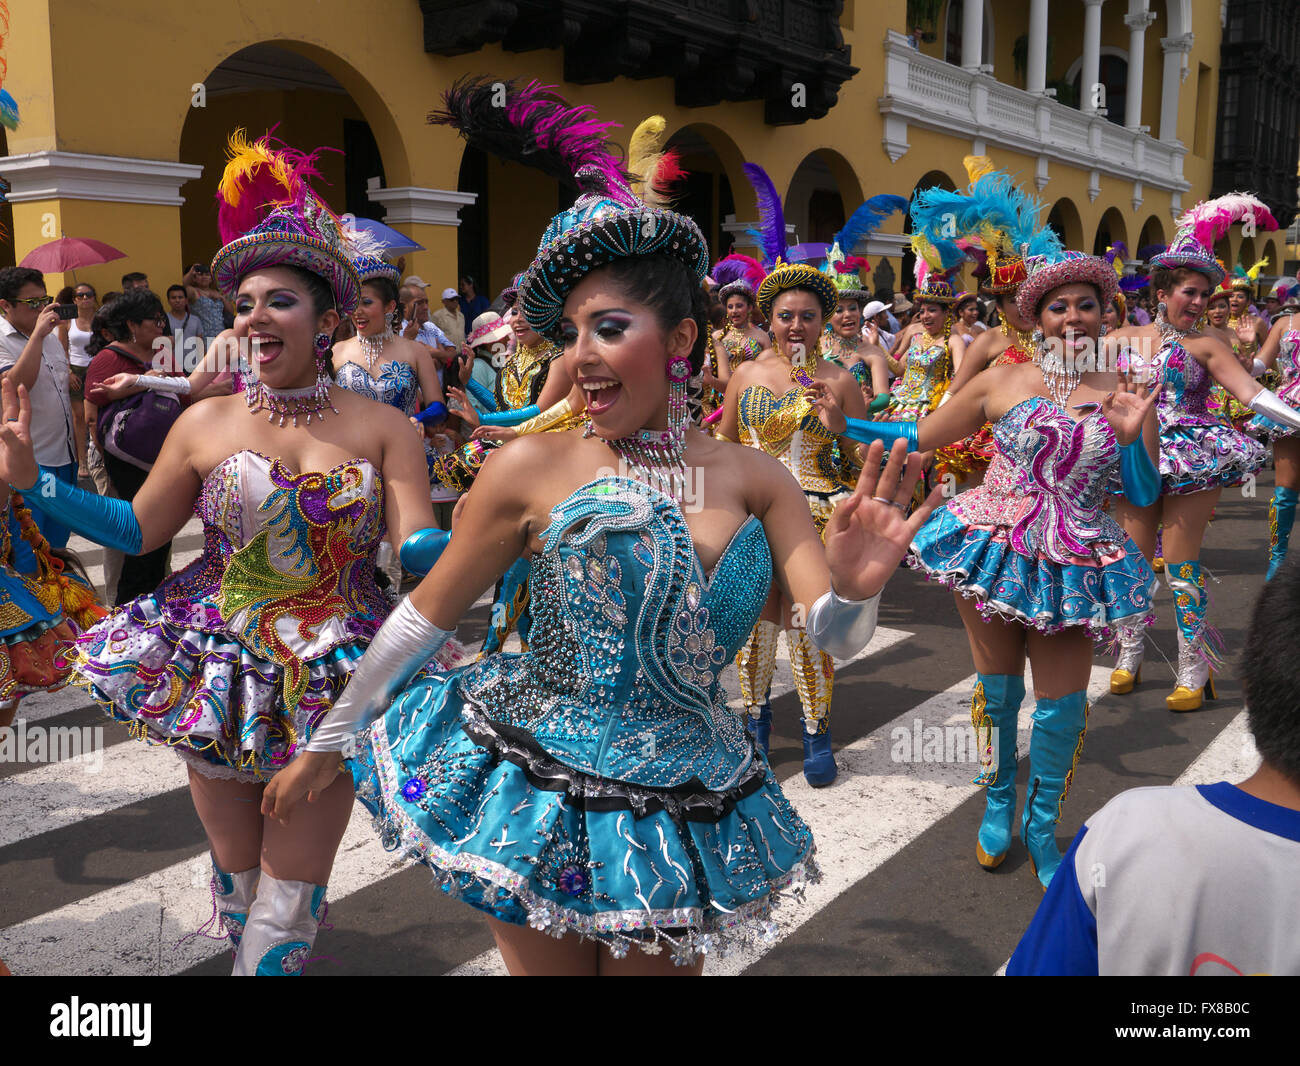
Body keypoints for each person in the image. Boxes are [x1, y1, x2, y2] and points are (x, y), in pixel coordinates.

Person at [261, 78, 931, 974]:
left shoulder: (756, 479)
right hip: (537, 778)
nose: (579, 358)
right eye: (572, 332)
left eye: (608, 328)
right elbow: (424, 616)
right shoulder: (532, 467)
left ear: (682, 343)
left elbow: (833, 634)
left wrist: (857, 587)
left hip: (684, 796)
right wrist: (327, 743)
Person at [0, 131, 465, 977]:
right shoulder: (204, 422)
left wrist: (484, 530)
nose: (252, 318)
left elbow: (417, 549)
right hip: (213, 666)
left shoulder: (383, 427)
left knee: (286, 907)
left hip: (333, 675)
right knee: (243, 887)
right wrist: (36, 484)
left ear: (326, 322)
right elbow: (136, 532)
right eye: (243, 303)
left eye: (277, 302)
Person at [816, 247, 1163, 890]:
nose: (1074, 317)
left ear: (1104, 312)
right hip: (993, 540)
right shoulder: (1002, 380)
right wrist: (845, 426)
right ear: (1037, 318)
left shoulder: (1127, 386)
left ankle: (1041, 821)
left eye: (1087, 305)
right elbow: (921, 433)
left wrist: (1129, 435)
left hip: (1075, 555)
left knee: (1061, 708)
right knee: (998, 693)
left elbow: (1142, 493)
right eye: (1058, 306)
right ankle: (1000, 798)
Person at [1008, 555, 1300, 975]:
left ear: (1250, 691)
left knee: (1177, 557)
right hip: (1013, 524)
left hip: (1080, 522)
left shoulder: (1129, 827)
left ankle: (1191, 662)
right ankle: (1130, 650)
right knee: (999, 691)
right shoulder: (1129, 830)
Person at [1106, 195, 1299, 711]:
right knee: (1131, 562)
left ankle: (1194, 667)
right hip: (1133, 454)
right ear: (1163, 291)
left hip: (1193, 453)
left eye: (1203, 294)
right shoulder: (1121, 338)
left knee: (1182, 565)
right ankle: (1129, 654)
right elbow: (1085, 394)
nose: (1197, 302)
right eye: (1188, 292)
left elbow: (1252, 394)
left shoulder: (1208, 344)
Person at [716, 164, 871, 787]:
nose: (796, 325)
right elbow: (725, 445)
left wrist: (838, 427)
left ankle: (815, 729)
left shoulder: (841, 380)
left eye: (808, 315)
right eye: (785, 315)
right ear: (769, 317)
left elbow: (863, 461)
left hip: (816, 513)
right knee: (756, 623)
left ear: (823, 320)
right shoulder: (747, 374)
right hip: (754, 518)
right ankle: (754, 722)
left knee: (810, 622)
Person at [83, 290, 180, 605]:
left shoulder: (164, 353)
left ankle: (156, 604)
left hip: (165, 459)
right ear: (132, 325)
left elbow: (187, 393)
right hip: (126, 465)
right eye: (154, 320)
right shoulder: (109, 358)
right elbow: (92, 415)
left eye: (161, 319)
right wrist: (110, 469)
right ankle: (126, 610)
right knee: (134, 539)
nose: (161, 326)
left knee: (159, 539)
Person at [0, 267, 78, 548]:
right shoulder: (3, 338)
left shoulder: (52, 337)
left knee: (57, 545)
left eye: (44, 300)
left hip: (65, 458)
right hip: (31, 462)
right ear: (5, 305)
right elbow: (15, 386)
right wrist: (37, 337)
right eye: (32, 303)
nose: (41, 309)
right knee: (28, 548)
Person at [1250, 287, 1300, 577]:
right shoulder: (1286, 323)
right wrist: (1245, 359)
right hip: (1290, 410)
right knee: (1285, 493)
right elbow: (1260, 363)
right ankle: (1278, 561)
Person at [56, 283, 95, 478]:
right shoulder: (68, 322)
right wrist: (69, 372)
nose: (85, 298)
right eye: (80, 296)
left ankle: (99, 457)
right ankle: (83, 461)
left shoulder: (100, 320)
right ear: (74, 300)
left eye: (89, 295)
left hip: (97, 369)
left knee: (94, 417)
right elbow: (62, 349)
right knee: (79, 417)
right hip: (76, 370)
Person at [183, 262, 234, 346]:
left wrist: (222, 298)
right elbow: (184, 285)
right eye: (200, 275)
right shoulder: (193, 291)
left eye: (207, 275)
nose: (204, 277)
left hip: (221, 335)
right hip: (203, 336)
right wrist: (192, 271)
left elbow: (230, 311)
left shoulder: (217, 292)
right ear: (194, 279)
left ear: (211, 279)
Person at [164, 284, 206, 369]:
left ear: (186, 300)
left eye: (180, 297)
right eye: (173, 298)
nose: (177, 300)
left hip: (193, 366)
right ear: (168, 301)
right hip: (172, 367)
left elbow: (200, 344)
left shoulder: (195, 320)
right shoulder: (164, 320)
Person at [430, 285, 467, 351]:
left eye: (457, 299)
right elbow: (431, 336)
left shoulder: (461, 316)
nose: (455, 301)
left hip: (462, 353)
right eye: (452, 299)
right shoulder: (437, 316)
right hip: (447, 354)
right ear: (444, 301)